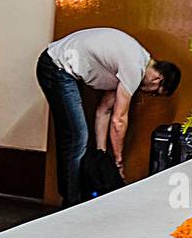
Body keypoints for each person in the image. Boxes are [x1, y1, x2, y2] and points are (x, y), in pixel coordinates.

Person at [36, 27, 180, 206]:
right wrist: (118, 161)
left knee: (77, 138)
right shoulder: (134, 66)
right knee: (77, 138)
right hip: (55, 67)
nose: (149, 95)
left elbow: (104, 111)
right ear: (157, 79)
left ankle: (76, 197)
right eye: (155, 94)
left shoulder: (136, 63)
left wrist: (101, 154)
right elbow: (118, 120)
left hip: (61, 67)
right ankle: (71, 202)